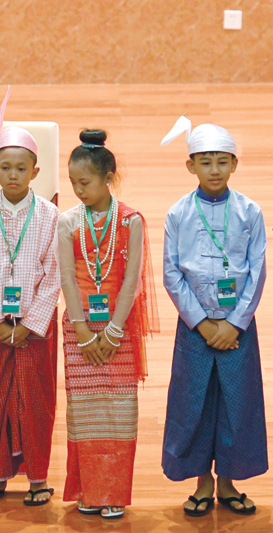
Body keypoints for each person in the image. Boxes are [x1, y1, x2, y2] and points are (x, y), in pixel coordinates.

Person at [160, 117, 267, 516]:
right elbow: (171, 273)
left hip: (238, 328)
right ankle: (202, 482)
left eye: (222, 161)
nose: (215, 170)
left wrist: (235, 321)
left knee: (237, 403)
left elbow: (257, 271)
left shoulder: (249, 212)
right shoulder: (178, 214)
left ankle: (228, 483)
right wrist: (203, 324)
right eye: (205, 162)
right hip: (195, 329)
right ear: (191, 166)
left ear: (235, 164)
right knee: (195, 402)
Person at [0, 88, 60, 506]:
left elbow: (55, 275)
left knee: (37, 402)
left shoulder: (52, 216)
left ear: (36, 171)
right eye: (6, 167)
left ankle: (39, 479)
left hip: (35, 332)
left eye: (22, 167)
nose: (14, 174)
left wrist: (32, 324)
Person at [58, 130, 158, 519]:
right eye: (72, 183)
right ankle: (88, 489)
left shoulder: (131, 221)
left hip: (119, 331)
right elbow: (67, 278)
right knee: (83, 411)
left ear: (108, 177)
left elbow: (132, 281)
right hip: (79, 331)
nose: (78, 190)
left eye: (85, 182)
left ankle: (112, 491)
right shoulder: (68, 222)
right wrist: (83, 332)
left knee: (119, 412)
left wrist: (114, 331)